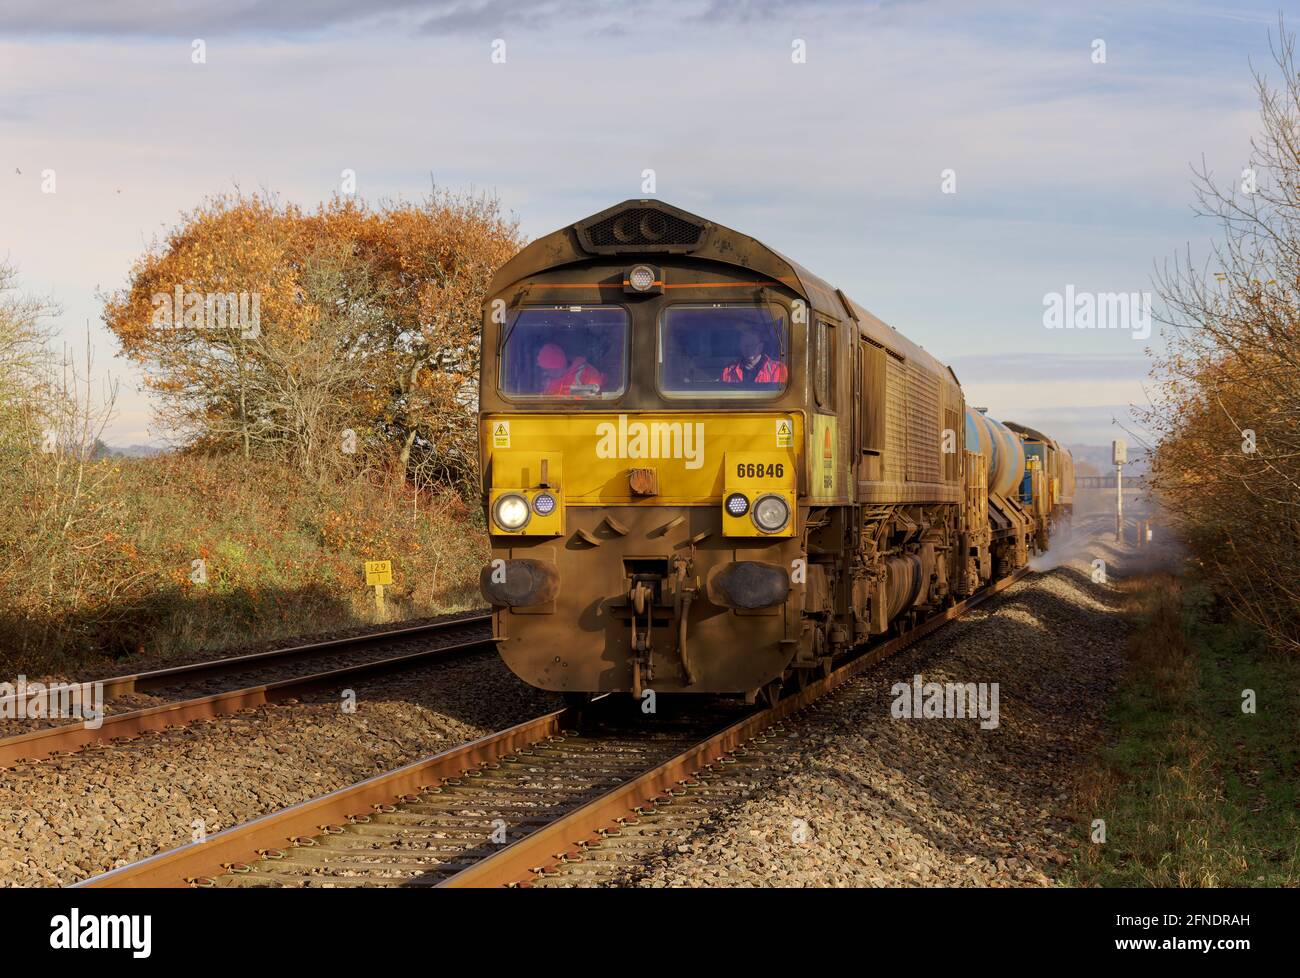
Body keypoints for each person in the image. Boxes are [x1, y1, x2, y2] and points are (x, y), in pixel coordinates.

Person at [721, 330, 787, 385]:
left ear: (761, 346)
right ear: (741, 347)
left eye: (753, 344)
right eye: (745, 345)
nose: (749, 349)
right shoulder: (729, 370)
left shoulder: (778, 369)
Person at [537, 342, 604, 396]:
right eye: (545, 370)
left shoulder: (586, 372)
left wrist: (569, 391)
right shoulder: (550, 382)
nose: (548, 374)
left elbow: (596, 391)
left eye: (549, 370)